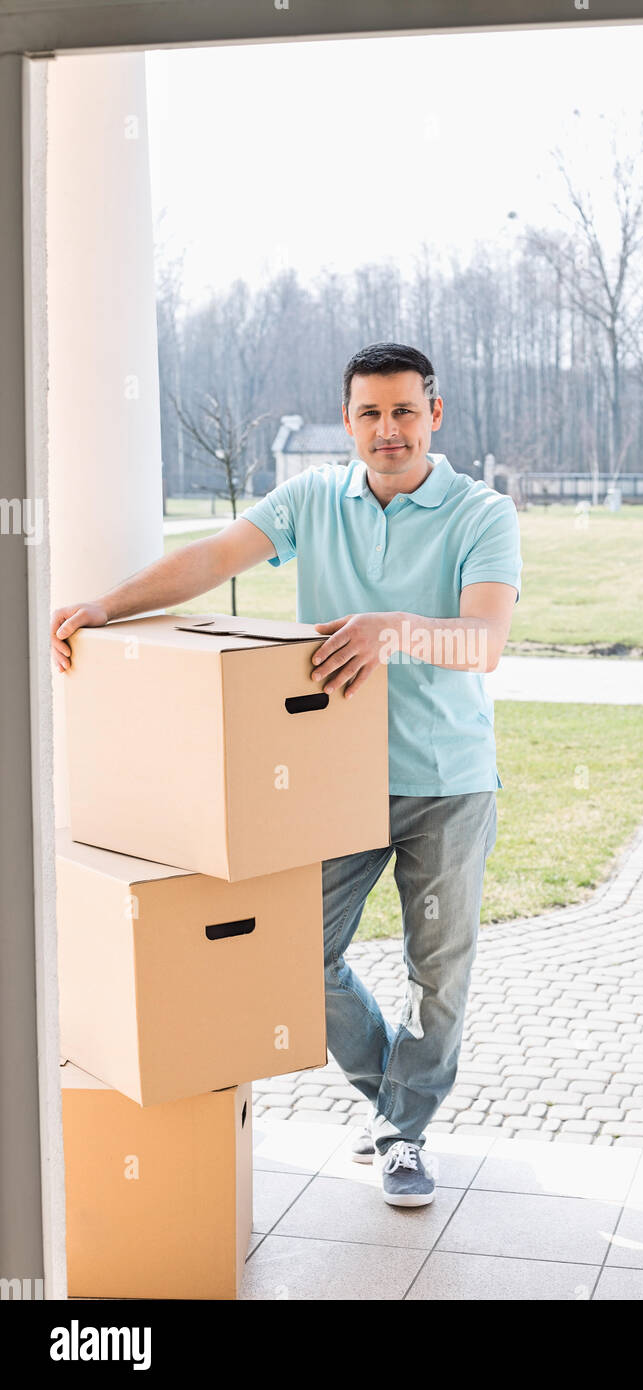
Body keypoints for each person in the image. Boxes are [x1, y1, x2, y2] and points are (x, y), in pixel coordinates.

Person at [51, 342, 522, 1208]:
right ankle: (395, 1097)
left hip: (449, 782)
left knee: (438, 972)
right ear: (347, 422)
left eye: (405, 411)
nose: (389, 429)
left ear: (436, 415)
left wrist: (393, 628)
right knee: (297, 955)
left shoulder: (481, 513)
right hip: (330, 782)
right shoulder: (313, 499)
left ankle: (402, 1135)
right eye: (371, 413)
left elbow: (483, 644)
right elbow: (212, 559)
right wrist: (109, 605)